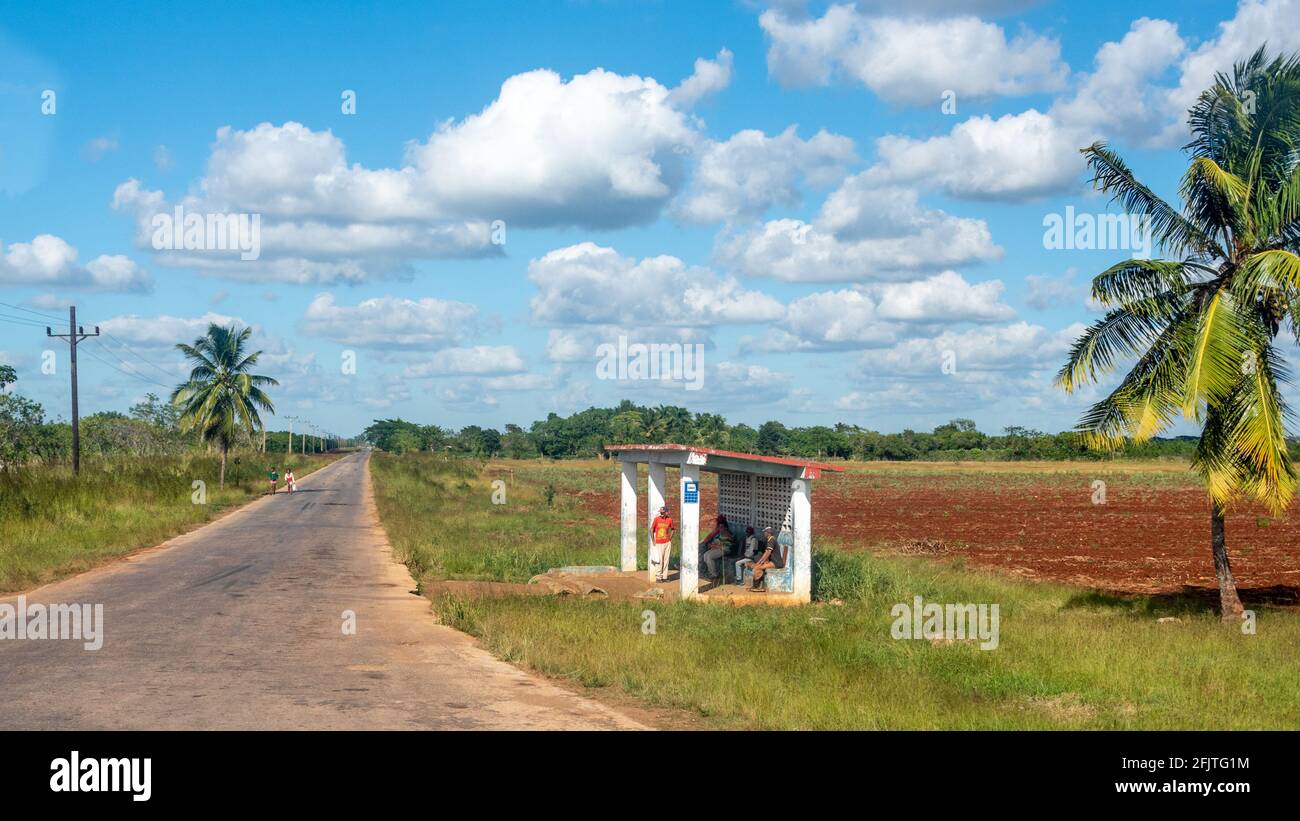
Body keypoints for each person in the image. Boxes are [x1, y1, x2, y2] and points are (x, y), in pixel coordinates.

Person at [750, 526, 787, 592]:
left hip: (776, 563)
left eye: (765, 532)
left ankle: (756, 587)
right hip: (773, 562)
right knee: (758, 566)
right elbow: (766, 552)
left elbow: (768, 553)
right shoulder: (770, 540)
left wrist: (761, 562)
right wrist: (761, 561)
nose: (764, 533)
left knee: (758, 568)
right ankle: (758, 586)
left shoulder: (771, 540)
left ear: (768, 533)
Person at [697, 514, 734, 580]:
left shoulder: (728, 534)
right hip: (717, 548)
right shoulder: (719, 533)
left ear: (725, 527)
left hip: (723, 549)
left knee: (709, 557)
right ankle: (710, 572)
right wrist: (711, 545)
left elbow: (727, 546)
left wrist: (716, 546)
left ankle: (714, 574)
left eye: (722, 527)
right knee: (705, 555)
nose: (720, 528)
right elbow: (714, 539)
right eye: (719, 527)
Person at [649, 505, 675, 582]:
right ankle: (658, 577)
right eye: (661, 512)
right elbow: (651, 530)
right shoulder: (656, 519)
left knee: (666, 560)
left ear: (667, 512)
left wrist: (670, 538)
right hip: (658, 543)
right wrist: (653, 540)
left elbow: (673, 529)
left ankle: (664, 577)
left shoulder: (670, 520)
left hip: (667, 543)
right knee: (659, 560)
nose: (661, 514)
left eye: (663, 512)